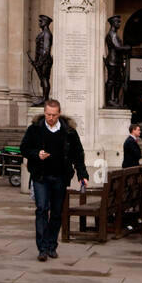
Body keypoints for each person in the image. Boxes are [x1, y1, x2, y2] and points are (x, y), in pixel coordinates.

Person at [19, 99, 89, 262]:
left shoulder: (69, 131)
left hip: (60, 176)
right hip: (40, 176)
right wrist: (37, 154)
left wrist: (82, 174)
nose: (50, 118)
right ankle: (42, 248)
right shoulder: (34, 129)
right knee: (42, 209)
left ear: (59, 114)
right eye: (48, 114)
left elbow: (78, 154)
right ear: (44, 113)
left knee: (57, 212)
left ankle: (52, 245)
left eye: (54, 115)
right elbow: (24, 148)